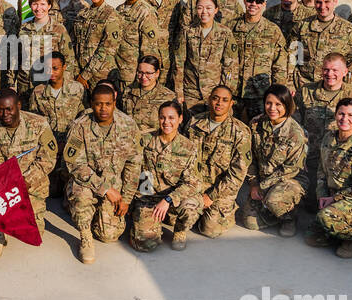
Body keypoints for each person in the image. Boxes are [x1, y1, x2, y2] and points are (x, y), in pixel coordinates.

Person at [63, 84, 143, 264]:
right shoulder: (80, 126)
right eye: (98, 104)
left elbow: (134, 163)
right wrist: (106, 189)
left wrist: (128, 198)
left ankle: (93, 212)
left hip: (115, 184)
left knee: (108, 236)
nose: (103, 109)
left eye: (108, 104)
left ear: (115, 103)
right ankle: (85, 237)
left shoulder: (128, 125)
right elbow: (74, 164)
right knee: (80, 196)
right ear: (91, 104)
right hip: (86, 182)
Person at [0, 89, 59, 259]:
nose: (4, 114)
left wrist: (26, 180)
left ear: (19, 106)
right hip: (2, 189)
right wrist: (4, 183)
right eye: (0, 109)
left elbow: (48, 158)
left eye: (9, 109)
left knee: (34, 232)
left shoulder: (39, 125)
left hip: (32, 187)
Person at [307, 99, 352, 258]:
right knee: (311, 235)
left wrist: (334, 199)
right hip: (335, 196)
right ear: (335, 115)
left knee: (326, 218)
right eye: (341, 113)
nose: (344, 119)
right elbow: (321, 170)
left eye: (350, 115)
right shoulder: (329, 138)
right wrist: (322, 196)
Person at [295, 53, 352, 202]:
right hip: (311, 160)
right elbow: (294, 126)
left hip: (341, 164)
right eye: (326, 69)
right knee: (310, 203)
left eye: (335, 70)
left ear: (345, 72)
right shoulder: (306, 92)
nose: (330, 74)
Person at [130, 101, 202, 252]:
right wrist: (142, 204)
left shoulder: (188, 147)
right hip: (150, 194)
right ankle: (149, 223)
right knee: (146, 245)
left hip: (174, 198)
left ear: (180, 119)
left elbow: (192, 183)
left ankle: (180, 230)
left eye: (171, 117)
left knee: (190, 208)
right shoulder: (146, 140)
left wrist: (168, 200)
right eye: (162, 118)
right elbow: (139, 171)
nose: (166, 122)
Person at [184, 85, 252, 239]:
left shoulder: (240, 131)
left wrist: (211, 196)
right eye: (215, 98)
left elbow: (237, 174)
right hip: (194, 185)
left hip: (221, 190)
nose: (219, 103)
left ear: (231, 104)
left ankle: (226, 213)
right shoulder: (195, 123)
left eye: (224, 100)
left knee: (209, 229)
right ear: (209, 100)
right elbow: (182, 157)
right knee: (176, 218)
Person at [244, 84, 308, 236]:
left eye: (278, 104)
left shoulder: (296, 133)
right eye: (268, 103)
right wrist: (253, 184)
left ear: (287, 105)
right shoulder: (255, 124)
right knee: (250, 223)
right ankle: (272, 212)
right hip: (263, 180)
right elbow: (249, 158)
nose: (272, 108)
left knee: (274, 200)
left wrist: (262, 186)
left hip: (290, 180)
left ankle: (288, 217)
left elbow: (291, 169)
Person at [29, 52, 87, 197]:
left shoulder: (77, 89)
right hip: (49, 146)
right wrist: (52, 144)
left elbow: (84, 119)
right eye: (48, 69)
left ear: (64, 68)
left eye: (55, 68)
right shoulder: (38, 92)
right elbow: (34, 124)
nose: (51, 72)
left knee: (73, 192)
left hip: (72, 144)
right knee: (52, 191)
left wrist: (69, 143)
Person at [228, 0, 290, 121]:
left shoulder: (273, 31)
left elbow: (279, 65)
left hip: (261, 94)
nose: (254, 4)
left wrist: (276, 95)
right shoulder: (230, 28)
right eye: (250, 0)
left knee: (259, 130)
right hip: (234, 92)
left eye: (258, 1)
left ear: (264, 4)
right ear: (244, 2)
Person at [174, 0, 237, 115]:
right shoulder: (187, 32)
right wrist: (179, 93)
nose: (204, 12)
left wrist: (225, 93)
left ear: (216, 10)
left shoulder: (225, 33)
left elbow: (230, 67)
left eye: (208, 8)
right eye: (200, 8)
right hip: (191, 94)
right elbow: (179, 64)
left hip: (215, 95)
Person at [288, 0, 352, 88]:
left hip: (334, 88)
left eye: (327, 2)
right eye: (318, 2)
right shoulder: (302, 26)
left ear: (335, 1)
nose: (322, 6)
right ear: (314, 2)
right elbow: (291, 57)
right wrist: (289, 84)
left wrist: (348, 89)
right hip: (304, 86)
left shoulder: (347, 30)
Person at [16, 0, 76, 98]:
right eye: (35, 4)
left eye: (43, 4)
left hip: (46, 87)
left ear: (49, 6)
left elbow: (69, 60)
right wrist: (11, 83)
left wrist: (63, 86)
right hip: (24, 86)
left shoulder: (59, 29)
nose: (38, 8)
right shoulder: (24, 29)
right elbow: (16, 58)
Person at [71, 0, 122, 89]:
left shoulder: (111, 15)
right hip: (80, 76)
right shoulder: (82, 14)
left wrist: (85, 75)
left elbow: (107, 50)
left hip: (101, 77)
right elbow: (73, 45)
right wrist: (77, 72)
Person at [112, 0, 162, 88]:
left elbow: (149, 50)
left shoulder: (146, 12)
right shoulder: (119, 10)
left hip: (133, 77)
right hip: (116, 73)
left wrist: (142, 78)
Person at [141, 0, 182, 78]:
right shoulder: (141, 0)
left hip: (167, 59)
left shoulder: (175, 1)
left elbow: (178, 30)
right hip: (146, 59)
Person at [119, 55, 176, 136]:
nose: (143, 77)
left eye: (148, 73)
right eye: (140, 72)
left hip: (153, 140)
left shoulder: (169, 97)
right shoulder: (128, 91)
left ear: (157, 73)